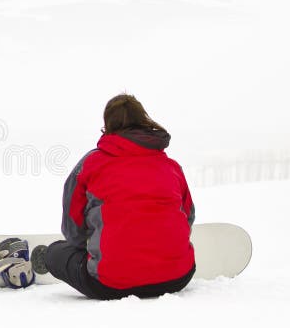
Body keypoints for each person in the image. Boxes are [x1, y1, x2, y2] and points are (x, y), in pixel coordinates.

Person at [31, 94, 196, 299]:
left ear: (107, 125)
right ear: (143, 120)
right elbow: (188, 216)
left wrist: (96, 247)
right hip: (178, 278)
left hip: (110, 284)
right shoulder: (172, 167)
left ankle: (42, 258)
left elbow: (73, 229)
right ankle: (168, 259)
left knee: (55, 252)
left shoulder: (90, 164)